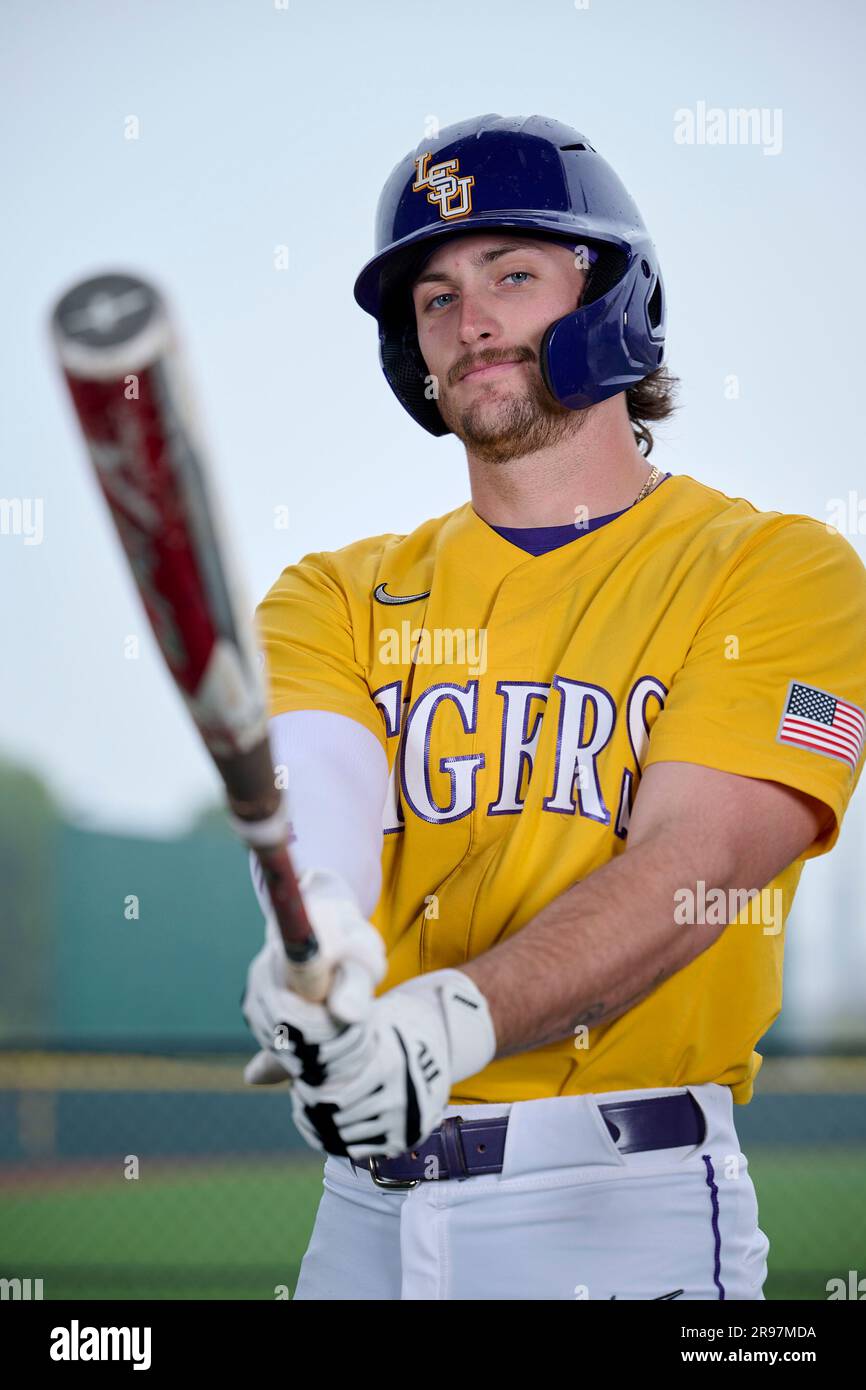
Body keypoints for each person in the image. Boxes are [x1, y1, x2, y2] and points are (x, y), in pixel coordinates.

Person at [241, 114, 866, 1300]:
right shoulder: (333, 593)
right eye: (433, 297)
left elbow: (697, 865)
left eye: (511, 275)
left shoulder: (774, 571)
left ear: (614, 299)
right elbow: (318, 798)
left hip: (621, 1210)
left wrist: (451, 1021)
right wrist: (312, 943)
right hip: (362, 1218)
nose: (468, 321)